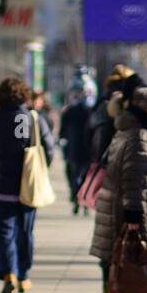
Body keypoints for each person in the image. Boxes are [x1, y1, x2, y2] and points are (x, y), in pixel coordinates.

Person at [90, 88, 147, 293]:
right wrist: (134, 214)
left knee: (121, 262)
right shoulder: (142, 137)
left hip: (118, 207)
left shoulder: (124, 131)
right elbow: (134, 178)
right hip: (136, 209)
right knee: (140, 261)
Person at [0, 76, 55, 293]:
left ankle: (8, 273)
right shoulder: (34, 118)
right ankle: (23, 275)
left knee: (3, 232)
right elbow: (49, 149)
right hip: (27, 187)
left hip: (0, 187)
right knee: (25, 232)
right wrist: (41, 171)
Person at [59, 85, 93, 214]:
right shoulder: (89, 111)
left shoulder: (69, 111)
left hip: (73, 149)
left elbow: (62, 132)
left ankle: (76, 200)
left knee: (74, 175)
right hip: (87, 149)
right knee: (85, 176)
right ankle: (83, 201)